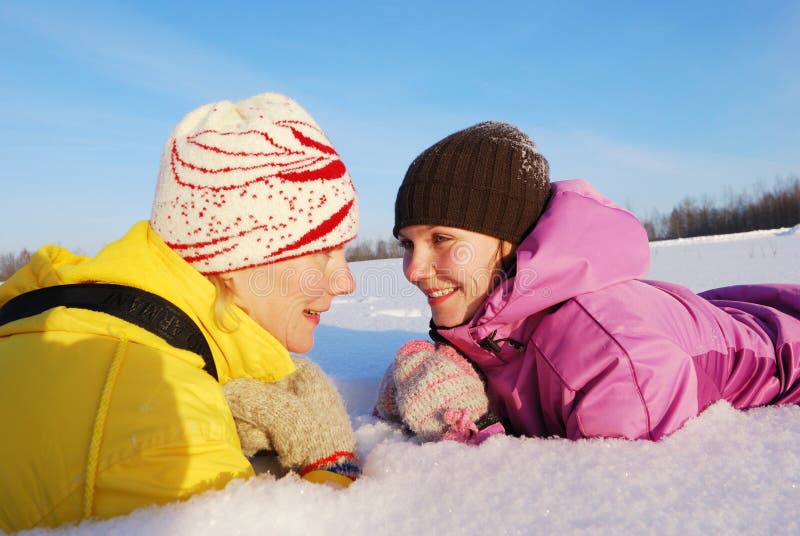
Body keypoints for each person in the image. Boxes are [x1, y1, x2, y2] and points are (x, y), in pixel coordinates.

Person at [0, 93, 360, 532]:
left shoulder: (66, 318)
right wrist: (331, 469)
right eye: (323, 252)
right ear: (235, 257)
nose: (345, 281)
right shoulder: (166, 424)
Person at [375, 121, 800, 444]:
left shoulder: (612, 360)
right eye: (407, 244)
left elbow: (620, 500)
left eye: (441, 239)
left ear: (510, 239)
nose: (413, 270)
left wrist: (477, 433)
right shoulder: (492, 320)